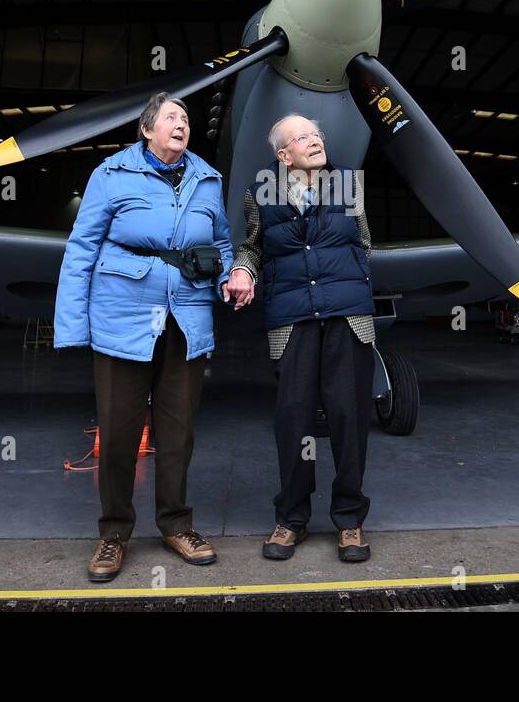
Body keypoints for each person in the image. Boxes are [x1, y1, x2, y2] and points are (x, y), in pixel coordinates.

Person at [54, 92, 235, 582]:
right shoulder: (111, 175)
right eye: (172, 118)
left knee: (179, 433)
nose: (182, 125)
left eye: (186, 120)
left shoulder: (207, 179)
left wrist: (231, 275)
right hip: (122, 321)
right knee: (118, 435)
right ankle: (113, 533)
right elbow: (82, 249)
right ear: (147, 130)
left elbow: (220, 242)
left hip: (186, 321)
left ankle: (176, 524)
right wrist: (72, 327)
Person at [226, 114, 376, 563]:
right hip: (292, 321)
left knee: (350, 418)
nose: (315, 141)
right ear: (283, 154)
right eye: (303, 137)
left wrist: (352, 287)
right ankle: (291, 518)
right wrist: (243, 269)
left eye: (317, 134)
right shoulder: (260, 194)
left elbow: (364, 243)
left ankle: (349, 521)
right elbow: (253, 245)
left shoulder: (350, 186)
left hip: (347, 318)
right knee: (293, 421)